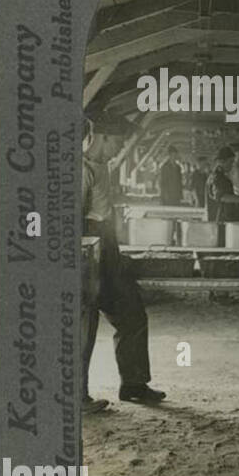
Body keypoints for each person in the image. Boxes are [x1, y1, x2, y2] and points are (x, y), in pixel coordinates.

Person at [81, 118, 167, 412]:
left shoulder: (102, 166)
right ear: (101, 136)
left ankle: (133, 385)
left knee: (132, 316)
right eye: (116, 144)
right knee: (83, 327)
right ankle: (76, 398)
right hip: (87, 252)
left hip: (108, 249)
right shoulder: (80, 169)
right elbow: (74, 224)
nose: (117, 151)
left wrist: (115, 254)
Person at [207, 147, 239, 223]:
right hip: (220, 220)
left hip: (219, 218)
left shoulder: (216, 176)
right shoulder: (218, 177)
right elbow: (221, 197)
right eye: (230, 162)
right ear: (221, 161)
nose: (232, 165)